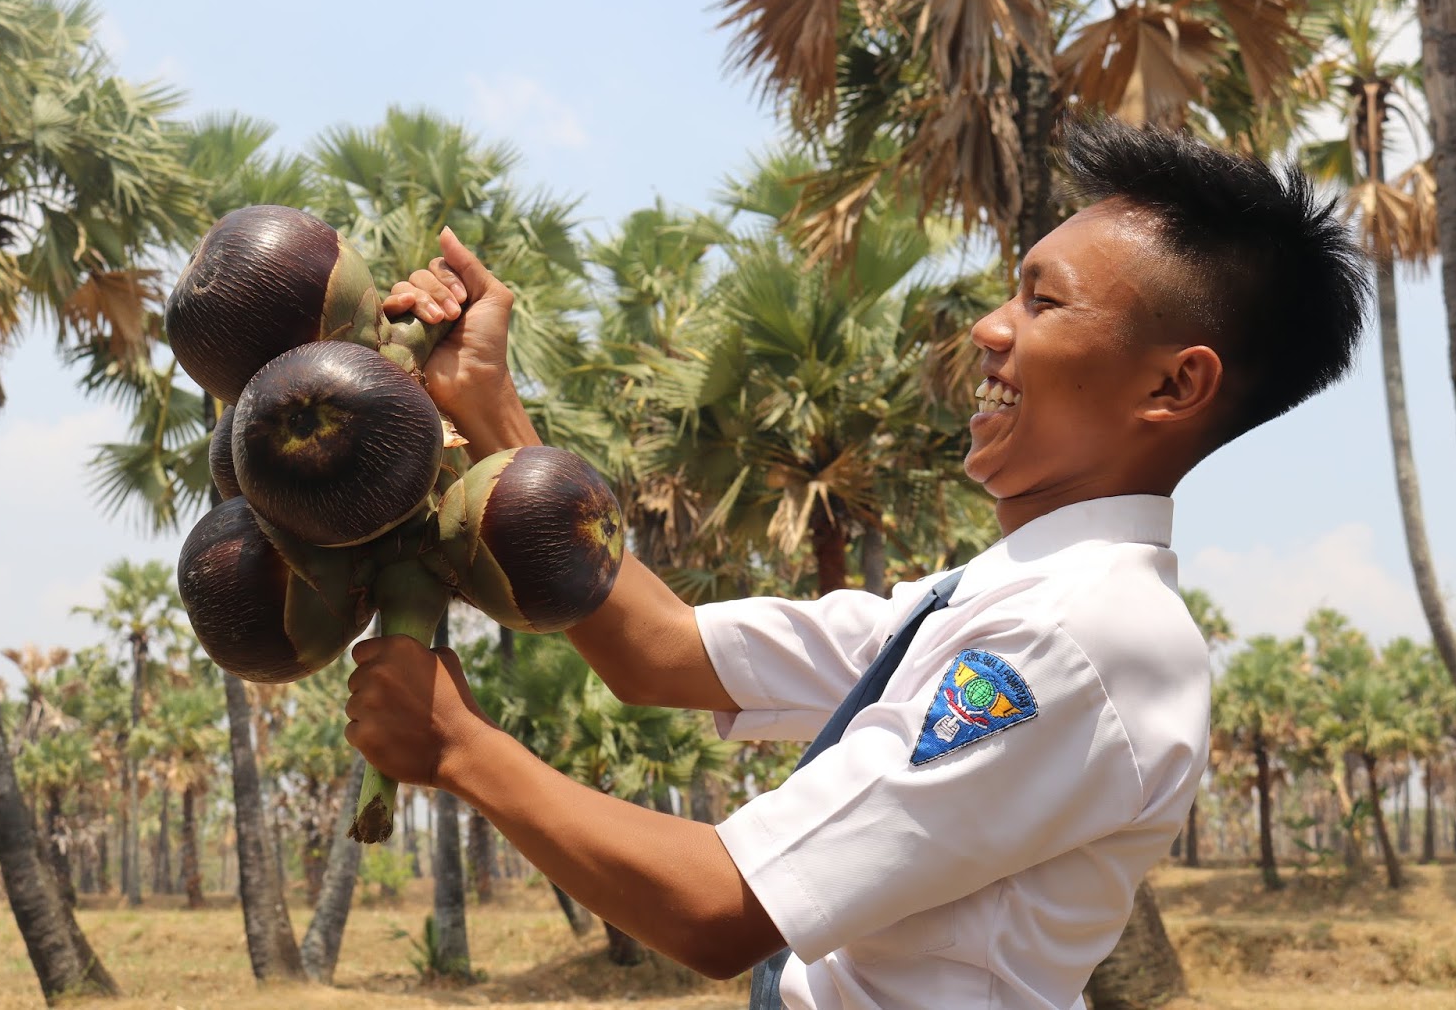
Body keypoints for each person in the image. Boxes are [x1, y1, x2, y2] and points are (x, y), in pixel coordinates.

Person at [342, 118, 1369, 1009]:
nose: (990, 327)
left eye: (1043, 303)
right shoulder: (991, 600)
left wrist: (458, 747)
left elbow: (720, 906)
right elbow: (659, 651)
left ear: (1173, 387)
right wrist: (488, 405)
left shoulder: (1078, 636)